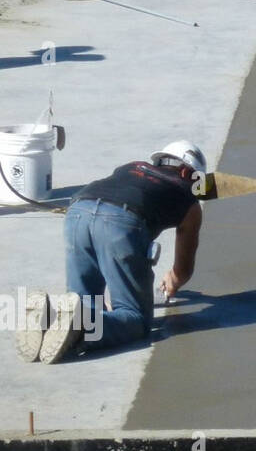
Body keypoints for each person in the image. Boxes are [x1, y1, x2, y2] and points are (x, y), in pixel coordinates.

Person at [15, 142, 206, 364]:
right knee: (135, 319)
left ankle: (51, 321)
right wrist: (172, 282)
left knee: (83, 302)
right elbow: (183, 270)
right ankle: (83, 328)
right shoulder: (189, 202)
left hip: (77, 212)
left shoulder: (132, 167)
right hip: (121, 222)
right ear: (186, 173)